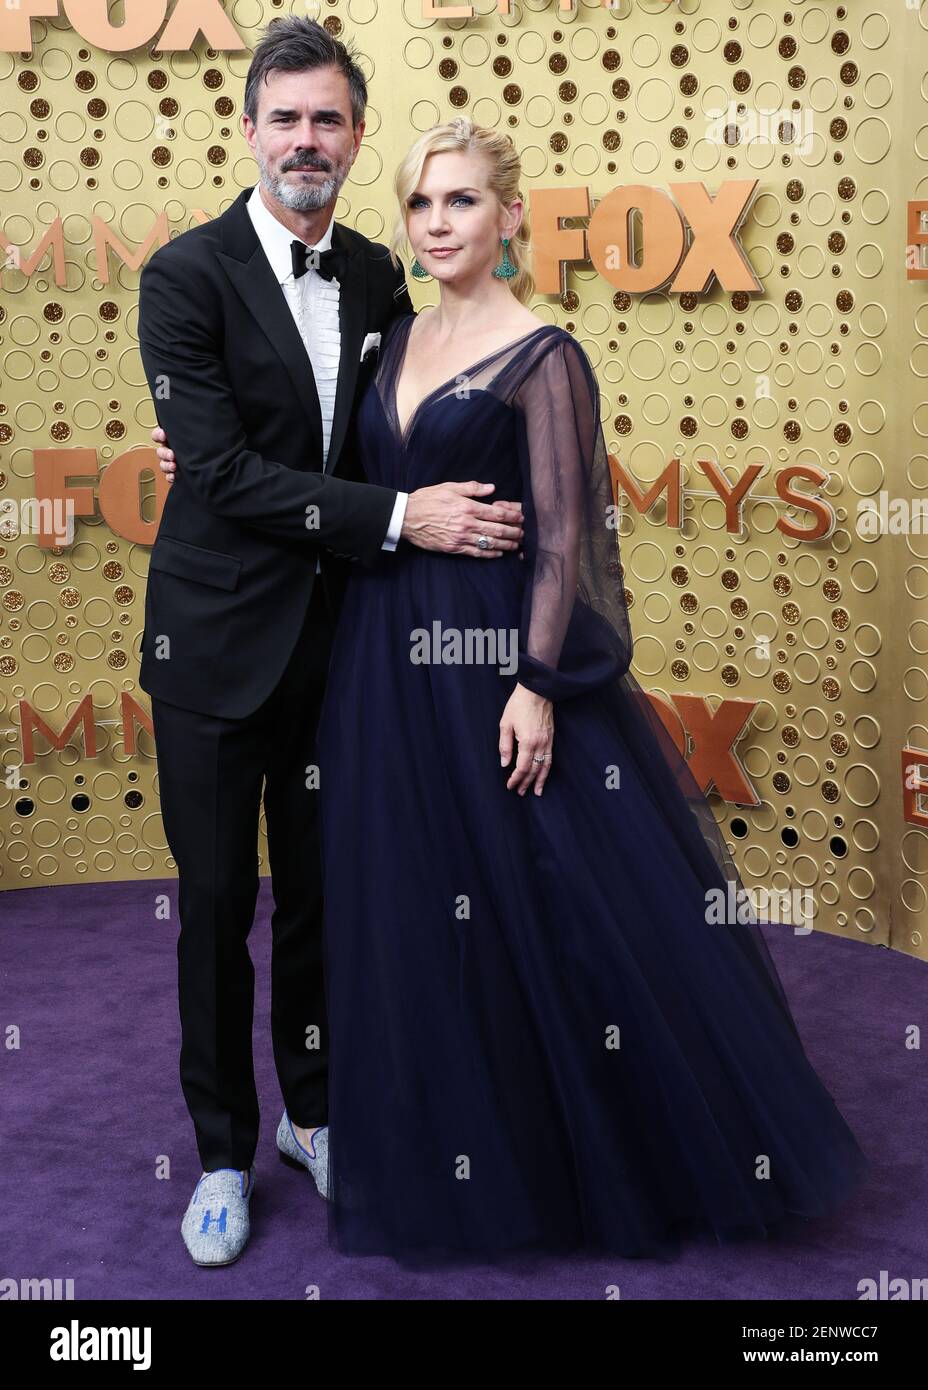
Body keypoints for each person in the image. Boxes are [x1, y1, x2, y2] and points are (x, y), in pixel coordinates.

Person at [156, 116, 868, 1265]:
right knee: (402, 898)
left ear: (511, 217)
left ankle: (573, 1143)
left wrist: (537, 684)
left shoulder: (546, 358)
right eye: (424, 204)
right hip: (379, 660)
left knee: (541, 899)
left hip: (492, 661)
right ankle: (378, 1128)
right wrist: (200, 455)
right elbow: (319, 460)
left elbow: (564, 541)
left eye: (462, 203)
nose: (439, 222)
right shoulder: (392, 334)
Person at [137, 18, 524, 1268]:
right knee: (211, 909)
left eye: (330, 120)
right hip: (209, 652)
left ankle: (311, 1113)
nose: (307, 139)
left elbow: (387, 435)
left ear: (356, 138)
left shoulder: (374, 275)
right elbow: (235, 472)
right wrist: (400, 514)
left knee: (318, 900)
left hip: (339, 647)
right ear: (248, 130)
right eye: (285, 117)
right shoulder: (182, 275)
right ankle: (218, 1155)